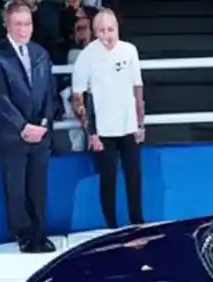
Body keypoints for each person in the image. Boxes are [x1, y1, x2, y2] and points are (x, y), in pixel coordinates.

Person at [0, 0, 59, 253]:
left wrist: (43, 124)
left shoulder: (41, 54)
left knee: (37, 189)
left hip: (40, 134)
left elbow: (50, 94)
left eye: (27, 23)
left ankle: (40, 232)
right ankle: (24, 235)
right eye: (18, 24)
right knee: (15, 189)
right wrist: (22, 126)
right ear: (7, 24)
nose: (23, 29)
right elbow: (1, 99)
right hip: (13, 136)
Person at [70, 8, 146, 230]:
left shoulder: (129, 51)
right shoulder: (86, 57)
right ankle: (110, 225)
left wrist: (140, 123)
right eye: (101, 31)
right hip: (102, 130)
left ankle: (137, 220)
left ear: (118, 28)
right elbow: (78, 98)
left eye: (110, 29)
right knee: (108, 178)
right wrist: (90, 132)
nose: (107, 35)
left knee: (134, 175)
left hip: (129, 125)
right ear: (94, 32)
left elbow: (137, 87)